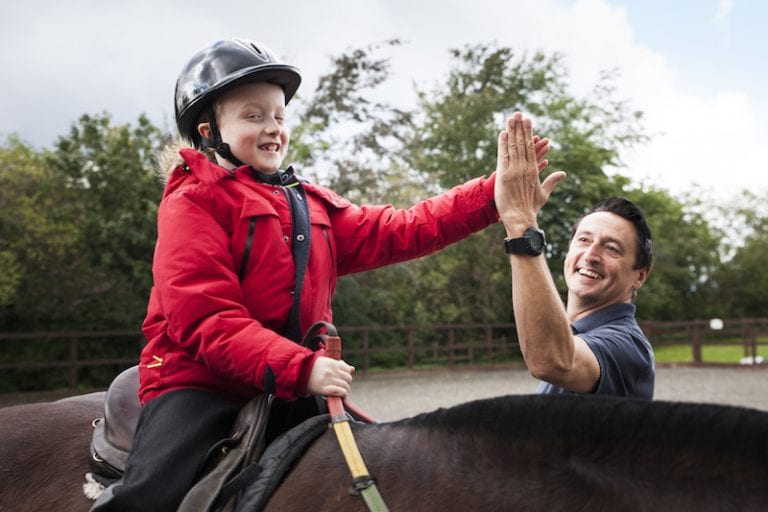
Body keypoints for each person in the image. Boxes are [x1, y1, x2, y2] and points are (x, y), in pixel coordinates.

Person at [91, 39, 550, 511]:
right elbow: (206, 318)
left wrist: (493, 196)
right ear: (209, 131)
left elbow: (404, 228)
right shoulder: (191, 202)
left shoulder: (309, 206)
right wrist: (303, 368)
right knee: (152, 498)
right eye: (253, 116)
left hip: (291, 384)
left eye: (279, 115)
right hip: (200, 384)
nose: (273, 127)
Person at [494, 112, 654, 398]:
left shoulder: (628, 345)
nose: (591, 254)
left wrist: (520, 222)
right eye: (583, 240)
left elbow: (553, 361)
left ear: (639, 276)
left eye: (611, 248)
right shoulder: (572, 335)